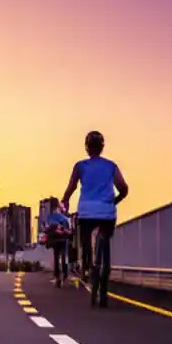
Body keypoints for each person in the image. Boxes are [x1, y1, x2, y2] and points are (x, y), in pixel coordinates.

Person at [62, 131, 129, 307]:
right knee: (105, 239)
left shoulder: (80, 166)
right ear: (102, 147)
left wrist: (65, 201)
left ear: (87, 147)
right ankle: (103, 277)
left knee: (85, 243)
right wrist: (113, 202)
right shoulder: (111, 166)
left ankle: (88, 266)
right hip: (106, 212)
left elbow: (71, 188)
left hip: (87, 213)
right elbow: (123, 188)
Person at [42, 197, 72, 288]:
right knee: (63, 255)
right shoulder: (63, 217)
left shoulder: (49, 217)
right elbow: (68, 229)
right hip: (63, 238)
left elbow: (45, 228)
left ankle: (57, 276)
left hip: (54, 240)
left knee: (56, 256)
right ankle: (64, 273)